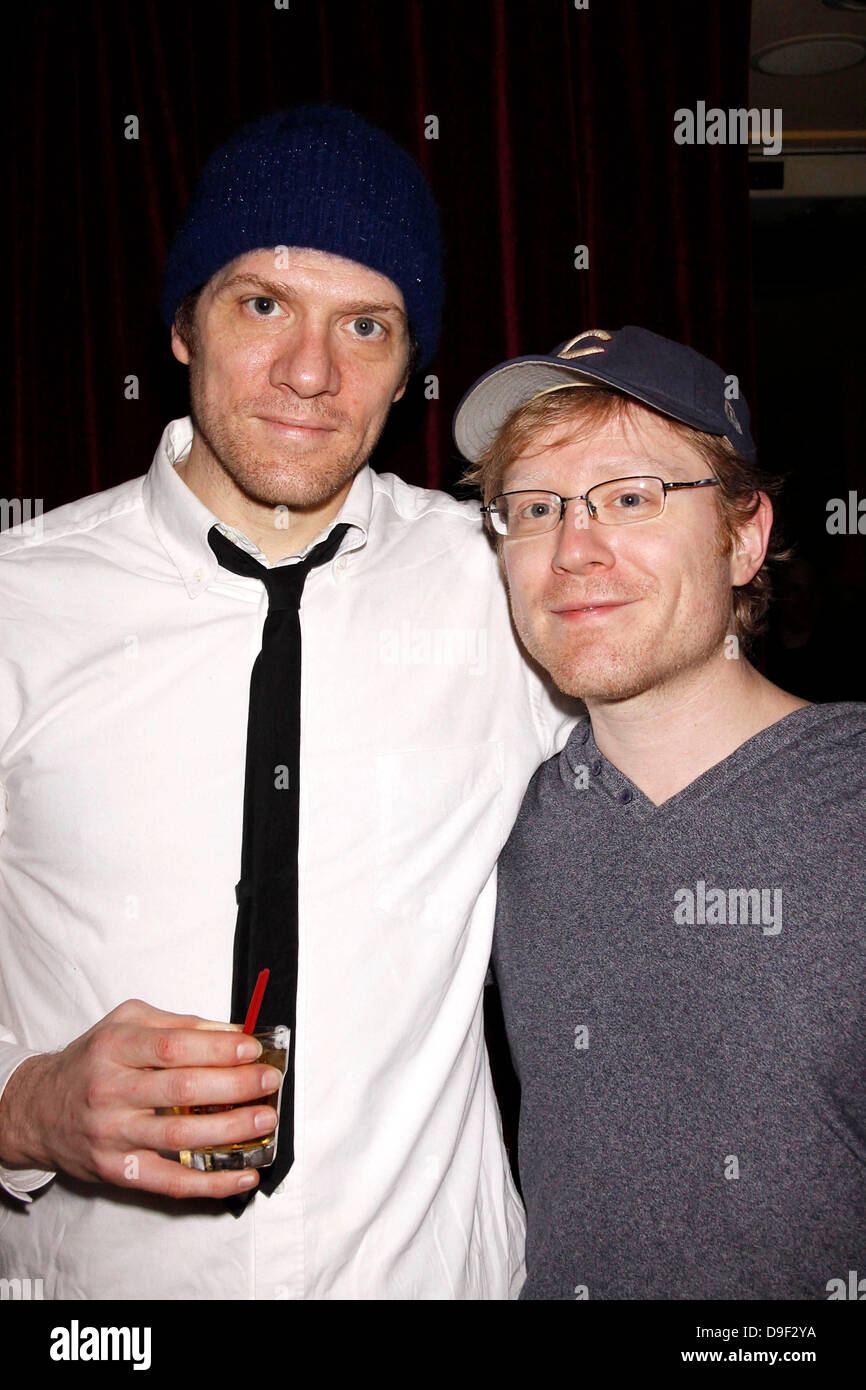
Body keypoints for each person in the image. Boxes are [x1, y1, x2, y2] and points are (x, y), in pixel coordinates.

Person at [0, 106, 577, 1300]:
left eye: (363, 324)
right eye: (262, 304)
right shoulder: (21, 602)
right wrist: (26, 1107)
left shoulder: (505, 580)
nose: (310, 372)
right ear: (180, 325)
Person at [453, 326, 866, 1299]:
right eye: (534, 507)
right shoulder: (501, 825)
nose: (571, 549)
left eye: (629, 498)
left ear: (743, 536)